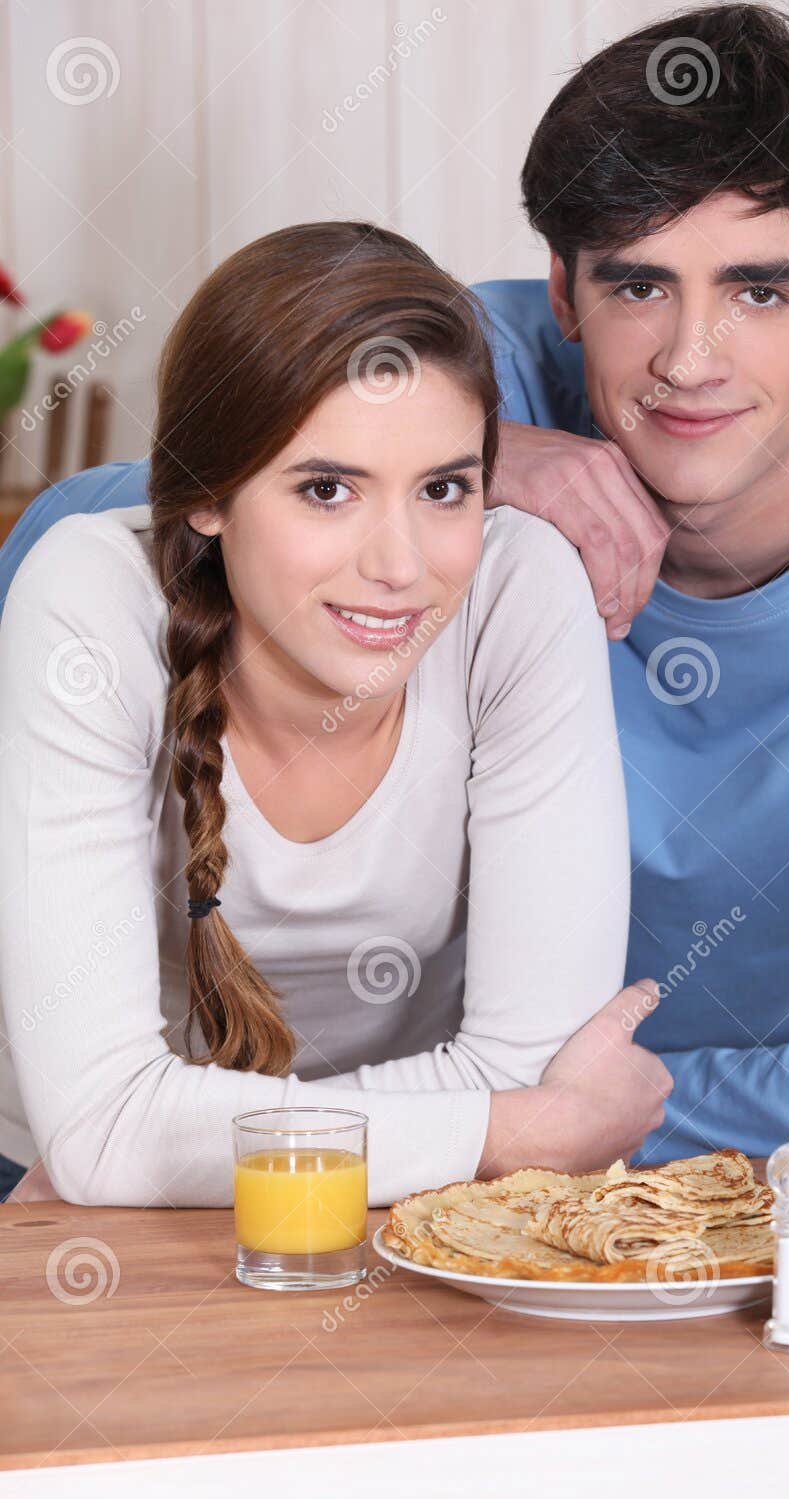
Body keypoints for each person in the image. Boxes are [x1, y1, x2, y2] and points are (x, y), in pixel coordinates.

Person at [4, 4, 789, 1165]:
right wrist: (486, 466)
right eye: (636, 287)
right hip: (425, 1156)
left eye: (759, 292)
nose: (688, 359)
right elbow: (108, 524)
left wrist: (579, 1114)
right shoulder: (470, 369)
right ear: (560, 291)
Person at [0, 220, 672, 1206]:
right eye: (326, 489)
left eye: (443, 488)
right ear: (208, 496)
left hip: (413, 1200)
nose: (399, 566)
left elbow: (533, 1063)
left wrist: (167, 1139)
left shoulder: (520, 590)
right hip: (55, 1202)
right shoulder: (88, 601)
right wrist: (506, 1127)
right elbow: (99, 1132)